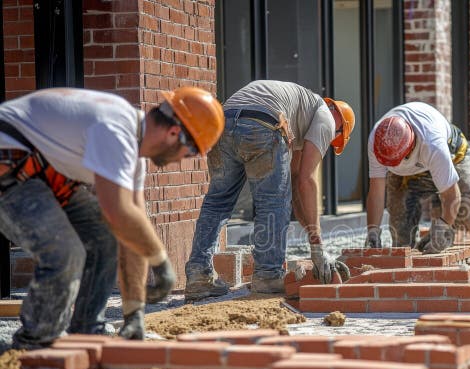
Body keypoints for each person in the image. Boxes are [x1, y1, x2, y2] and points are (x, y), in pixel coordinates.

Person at [0, 86, 224, 349]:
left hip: (39, 168)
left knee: (105, 236)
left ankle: (87, 330)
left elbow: (132, 228)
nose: (182, 162)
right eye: (191, 154)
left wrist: (134, 313)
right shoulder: (115, 129)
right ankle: (34, 344)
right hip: (9, 161)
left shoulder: (132, 151)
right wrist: (161, 261)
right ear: (175, 133)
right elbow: (117, 210)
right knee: (65, 251)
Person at [184, 80, 354, 300]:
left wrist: (311, 234)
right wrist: (318, 247)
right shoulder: (327, 118)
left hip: (223, 123)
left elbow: (294, 183)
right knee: (272, 203)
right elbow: (306, 180)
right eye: (334, 138)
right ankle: (268, 276)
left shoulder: (300, 111)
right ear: (339, 125)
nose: (329, 141)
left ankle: (199, 275)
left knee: (218, 202)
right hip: (263, 123)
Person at [364, 102, 470, 253]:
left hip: (454, 157)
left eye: (397, 161)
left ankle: (442, 237)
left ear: (410, 147)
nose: (393, 165)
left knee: (464, 220)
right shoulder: (378, 142)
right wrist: (373, 231)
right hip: (408, 175)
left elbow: (451, 195)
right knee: (401, 230)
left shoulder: (432, 144)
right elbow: (376, 192)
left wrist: (442, 229)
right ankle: (409, 262)